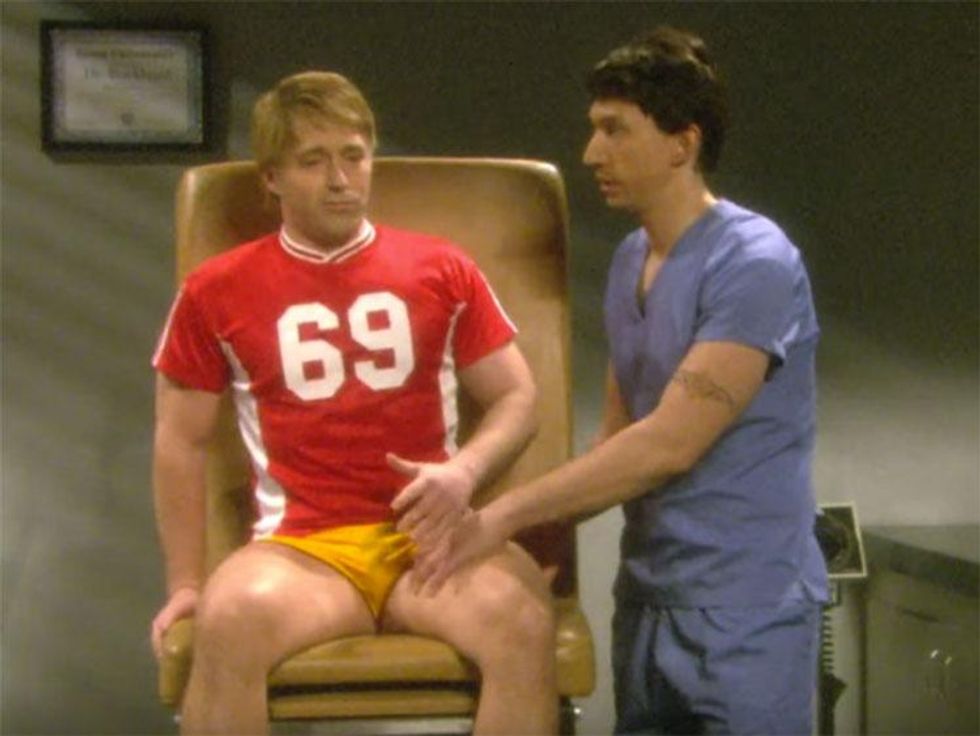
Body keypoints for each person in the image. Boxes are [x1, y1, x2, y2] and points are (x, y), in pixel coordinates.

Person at [406, 27, 829, 736]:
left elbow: (668, 444)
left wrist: (503, 516)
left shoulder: (754, 261)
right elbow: (617, 438)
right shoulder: (633, 257)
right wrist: (535, 549)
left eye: (615, 130)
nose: (591, 153)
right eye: (594, 128)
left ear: (682, 143)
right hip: (650, 597)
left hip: (746, 608)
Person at [149, 70, 557, 735]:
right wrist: (185, 585)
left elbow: (518, 397)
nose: (340, 179)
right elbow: (180, 440)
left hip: (426, 543)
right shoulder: (214, 290)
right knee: (228, 622)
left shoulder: (442, 267)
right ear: (272, 177)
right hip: (302, 551)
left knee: (522, 619)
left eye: (354, 156)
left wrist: (464, 472)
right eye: (314, 161)